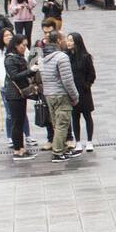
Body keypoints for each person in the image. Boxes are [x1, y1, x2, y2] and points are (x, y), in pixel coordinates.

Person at [39, 28, 80, 162]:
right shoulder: (62, 57)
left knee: (56, 124)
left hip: (48, 94)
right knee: (62, 124)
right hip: (61, 94)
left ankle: (61, 149)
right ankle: (57, 152)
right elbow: (67, 80)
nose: (65, 42)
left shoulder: (43, 57)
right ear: (58, 40)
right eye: (63, 39)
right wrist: (75, 96)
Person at [1, 35, 35, 161]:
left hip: (20, 94)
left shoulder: (19, 57)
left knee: (20, 121)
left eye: (26, 45)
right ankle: (17, 150)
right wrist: (30, 71)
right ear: (16, 45)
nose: (24, 47)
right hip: (13, 94)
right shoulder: (10, 59)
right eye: (23, 45)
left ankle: (22, 148)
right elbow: (15, 76)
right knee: (16, 122)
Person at [65, 32, 96, 153]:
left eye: (71, 40)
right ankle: (77, 142)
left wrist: (86, 85)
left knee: (87, 116)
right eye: (68, 40)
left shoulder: (85, 57)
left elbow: (92, 74)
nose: (68, 42)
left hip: (84, 91)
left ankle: (89, 141)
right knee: (75, 117)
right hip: (71, 91)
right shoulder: (65, 56)